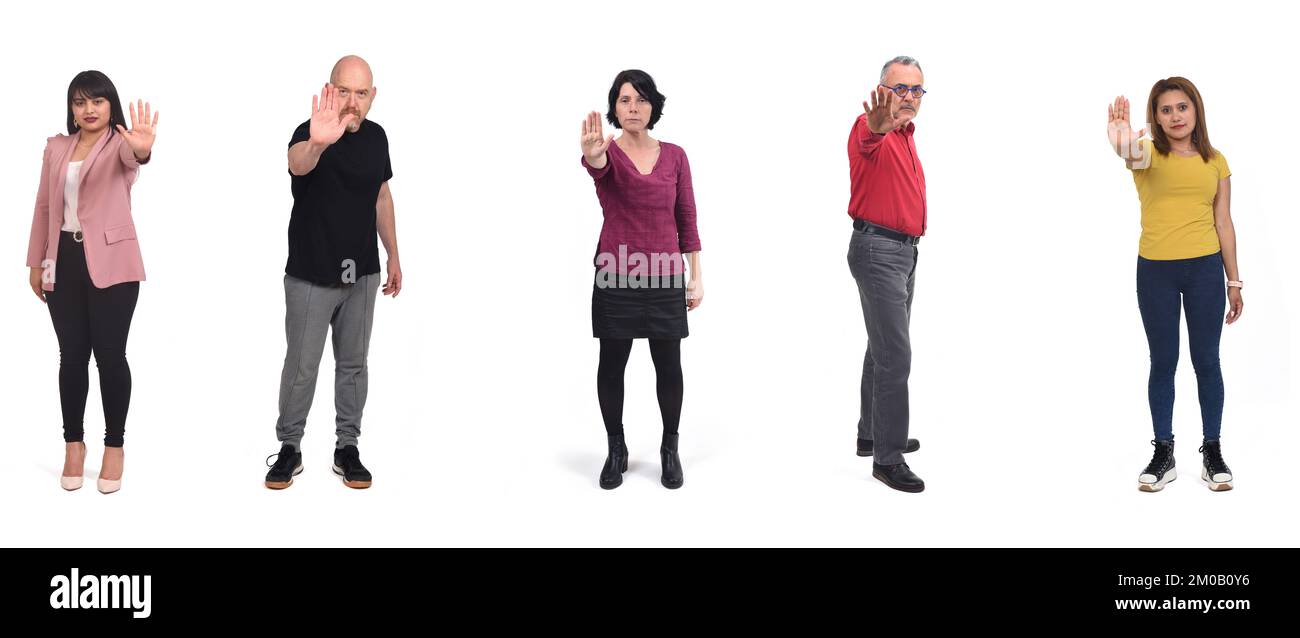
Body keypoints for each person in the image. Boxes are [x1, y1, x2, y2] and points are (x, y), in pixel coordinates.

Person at [264, 55, 402, 490]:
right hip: (310, 274)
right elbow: (297, 163)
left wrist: (394, 254)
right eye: (344, 90)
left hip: (360, 273)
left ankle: (348, 447)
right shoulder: (311, 131)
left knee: (354, 365)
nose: (352, 102)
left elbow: (381, 196)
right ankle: (289, 447)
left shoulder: (378, 138)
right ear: (329, 88)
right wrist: (320, 142)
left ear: (373, 96)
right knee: (302, 366)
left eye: (361, 93)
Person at [1107, 77, 1242, 492]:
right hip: (1156, 272)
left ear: (1195, 110)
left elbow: (1223, 221)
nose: (1175, 116)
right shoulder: (1147, 154)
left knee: (1207, 363)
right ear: (1157, 118)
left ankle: (1212, 450)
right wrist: (1120, 138)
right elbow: (1127, 152)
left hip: (1204, 271)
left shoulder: (1215, 161)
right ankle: (1163, 453)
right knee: (1163, 362)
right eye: (1165, 110)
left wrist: (1233, 280)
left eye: (1182, 107)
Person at [26, 70, 158, 494]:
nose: (88, 109)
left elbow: (133, 160)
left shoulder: (121, 144)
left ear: (110, 105)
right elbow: (44, 206)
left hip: (113, 264)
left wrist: (142, 150)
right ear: (71, 109)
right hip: (61, 260)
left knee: (110, 356)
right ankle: (73, 445)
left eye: (97, 101)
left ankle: (115, 446)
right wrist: (36, 263)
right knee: (71, 357)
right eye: (80, 102)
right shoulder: (56, 148)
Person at [580, 69, 703, 490]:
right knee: (612, 366)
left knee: (668, 366)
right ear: (614, 108)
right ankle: (617, 448)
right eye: (624, 100)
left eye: (641, 99)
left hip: (667, 278)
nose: (633, 107)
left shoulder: (676, 156)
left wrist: (696, 276)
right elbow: (596, 167)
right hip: (616, 277)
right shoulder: (607, 153)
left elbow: (687, 218)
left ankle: (670, 448)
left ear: (654, 106)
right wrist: (595, 153)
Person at [847, 56, 927, 493]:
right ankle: (887, 457)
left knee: (880, 350)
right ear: (882, 90)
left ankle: (871, 433)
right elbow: (867, 138)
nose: (909, 97)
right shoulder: (870, 128)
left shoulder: (907, 135)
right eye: (901, 88)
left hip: (903, 254)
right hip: (879, 251)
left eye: (917, 90)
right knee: (896, 357)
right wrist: (877, 124)